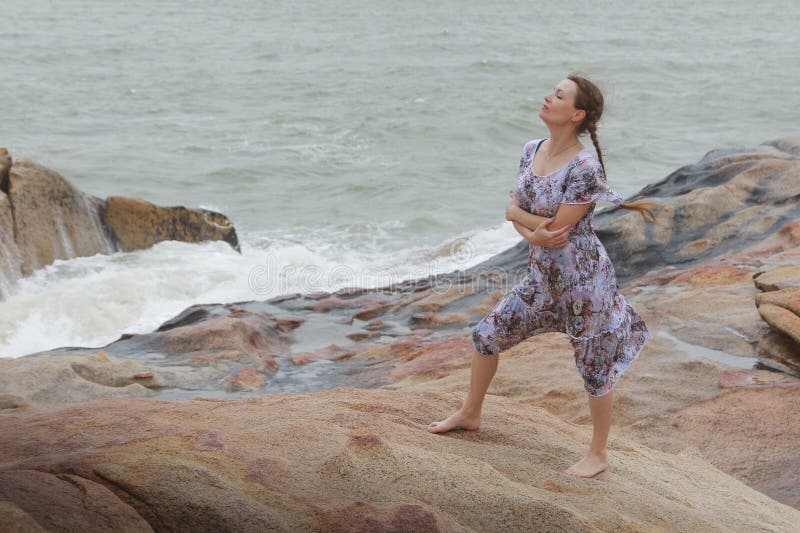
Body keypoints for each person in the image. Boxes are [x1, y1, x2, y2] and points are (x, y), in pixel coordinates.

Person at [426, 72, 659, 478]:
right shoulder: (530, 149)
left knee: (594, 365)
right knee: (486, 335)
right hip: (541, 278)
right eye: (552, 92)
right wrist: (526, 224)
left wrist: (520, 217)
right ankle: (470, 413)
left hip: (585, 283)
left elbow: (557, 227)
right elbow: (530, 223)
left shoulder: (584, 167)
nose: (547, 98)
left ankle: (598, 454)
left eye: (559, 95)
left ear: (577, 114)